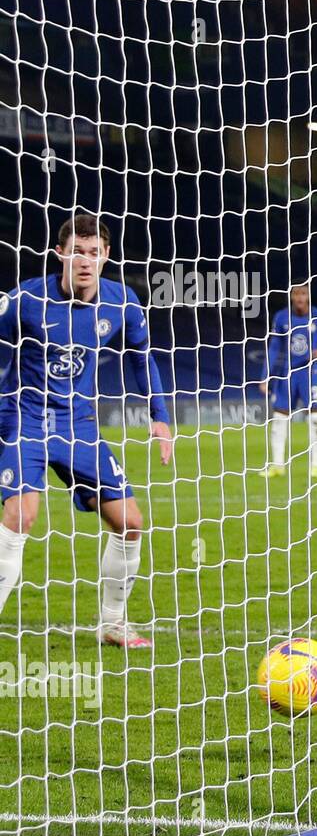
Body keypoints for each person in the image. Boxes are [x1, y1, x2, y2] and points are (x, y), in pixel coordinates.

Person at [0, 213, 173, 649]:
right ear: (60, 254)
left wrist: (160, 416)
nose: (85, 260)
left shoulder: (122, 301)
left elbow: (141, 356)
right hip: (27, 418)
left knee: (130, 523)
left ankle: (113, 623)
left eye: (94, 253)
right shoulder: (25, 300)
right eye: (77, 251)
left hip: (79, 426)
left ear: (106, 257)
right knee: (22, 516)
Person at [261, 284, 317, 478]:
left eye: (303, 293)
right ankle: (277, 465)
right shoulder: (282, 317)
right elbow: (274, 348)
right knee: (279, 417)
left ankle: (316, 466)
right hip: (288, 373)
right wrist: (265, 377)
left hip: (311, 373)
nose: (300, 298)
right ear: (291, 296)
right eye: (296, 294)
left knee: (316, 417)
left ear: (308, 296)